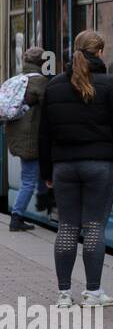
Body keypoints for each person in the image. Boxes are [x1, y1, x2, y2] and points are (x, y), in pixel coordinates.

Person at [38, 30, 113, 308]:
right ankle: (93, 293)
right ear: (101, 52)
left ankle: (64, 294)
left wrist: (46, 172)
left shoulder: (54, 86)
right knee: (94, 227)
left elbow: (44, 134)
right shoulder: (112, 86)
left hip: (64, 168)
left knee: (67, 227)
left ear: (75, 50)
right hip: (101, 167)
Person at [6, 46, 48, 231]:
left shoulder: (19, 80)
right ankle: (17, 217)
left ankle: (43, 197)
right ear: (42, 62)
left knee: (33, 172)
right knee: (29, 179)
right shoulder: (39, 82)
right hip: (31, 138)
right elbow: (49, 106)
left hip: (18, 136)